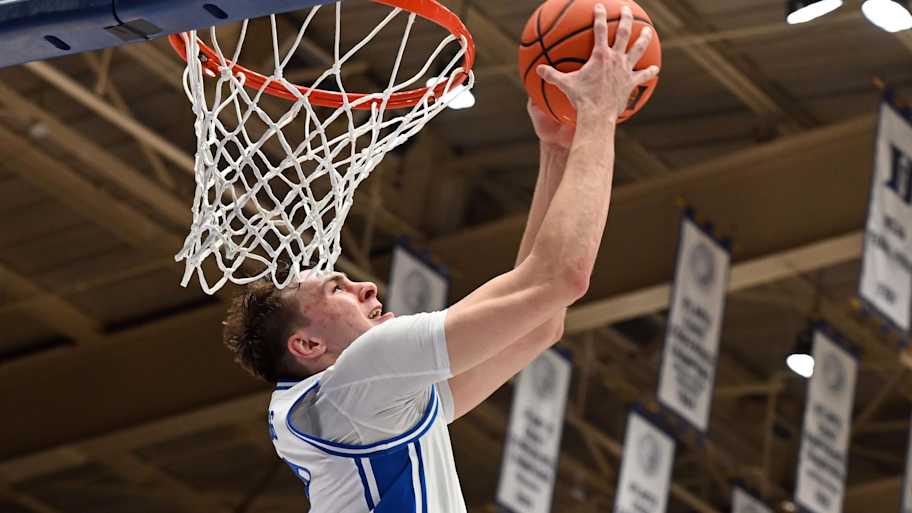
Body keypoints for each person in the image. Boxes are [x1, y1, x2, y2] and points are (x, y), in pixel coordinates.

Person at [221, 5, 658, 512]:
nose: (368, 288)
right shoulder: (358, 386)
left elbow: (539, 322)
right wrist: (599, 116)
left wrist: (558, 149)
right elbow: (559, 280)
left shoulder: (365, 397)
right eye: (337, 289)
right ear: (308, 343)